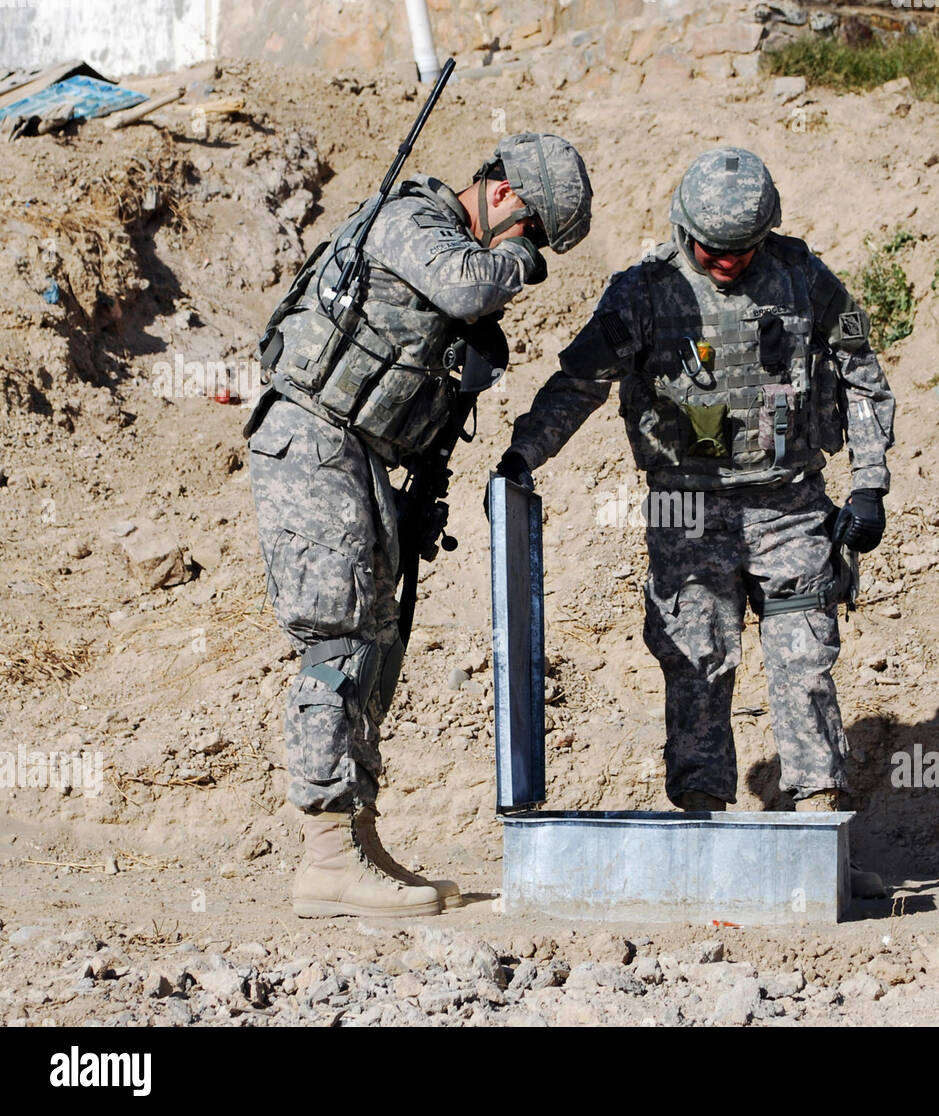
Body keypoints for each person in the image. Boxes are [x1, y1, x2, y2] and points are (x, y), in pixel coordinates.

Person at [245, 132, 593, 917]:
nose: (531, 254)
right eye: (533, 231)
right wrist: (521, 264)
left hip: (358, 452)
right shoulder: (414, 220)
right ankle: (327, 857)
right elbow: (470, 287)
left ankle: (358, 840)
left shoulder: (448, 242)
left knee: (374, 637)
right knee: (336, 638)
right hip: (313, 438)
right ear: (503, 195)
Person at [497, 147, 894, 813]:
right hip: (687, 511)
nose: (728, 262)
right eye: (713, 248)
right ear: (685, 229)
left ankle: (824, 820)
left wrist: (870, 484)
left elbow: (861, 372)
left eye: (743, 249)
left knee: (804, 664)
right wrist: (523, 455)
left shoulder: (805, 279)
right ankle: (702, 820)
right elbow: (581, 382)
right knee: (695, 665)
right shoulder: (646, 290)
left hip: (790, 506)